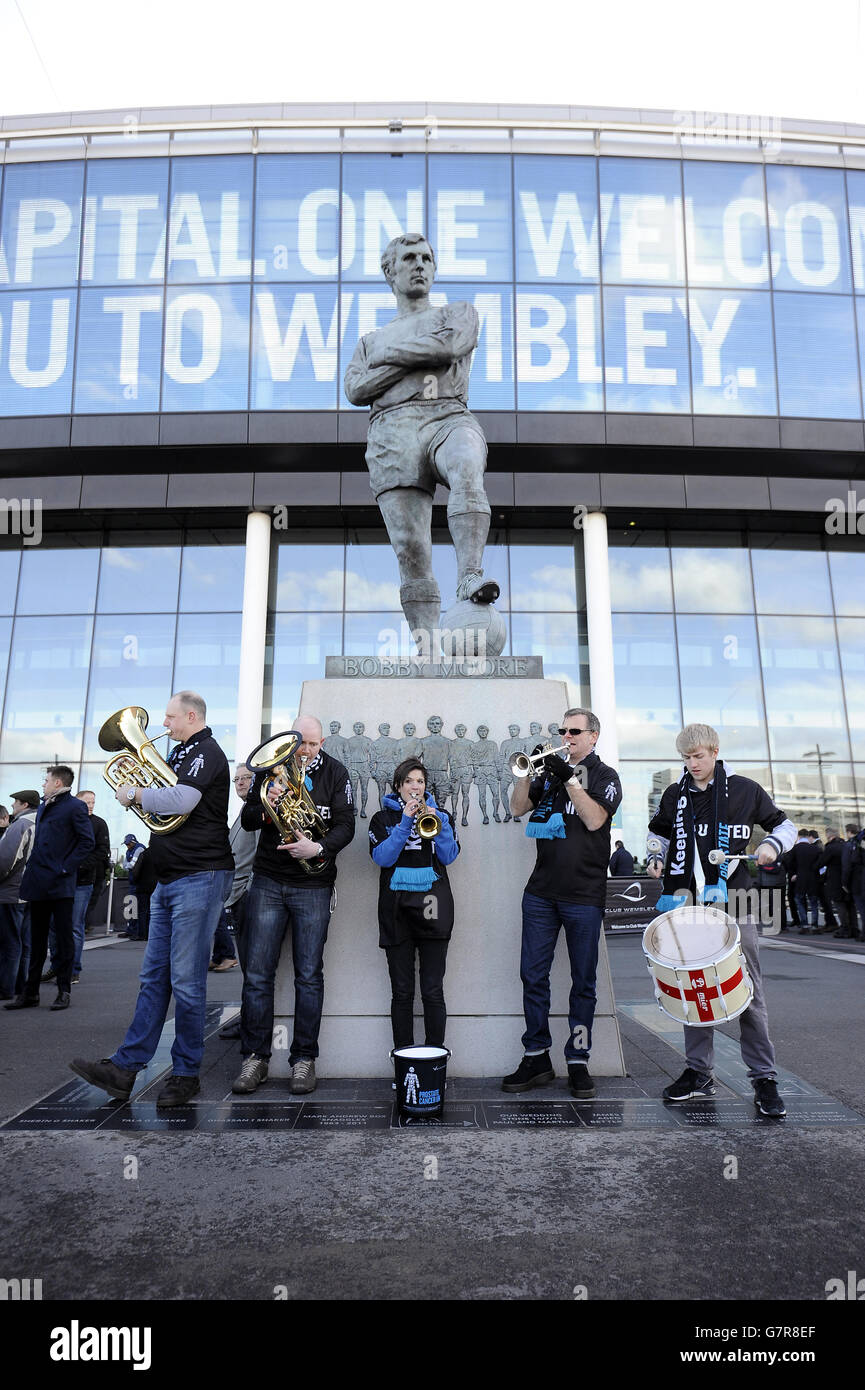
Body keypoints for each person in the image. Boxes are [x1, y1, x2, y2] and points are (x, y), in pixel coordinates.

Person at [70, 691, 234, 1107]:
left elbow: (182, 800)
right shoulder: (179, 755)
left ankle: (186, 1073)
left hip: (200, 875)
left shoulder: (207, 751)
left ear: (192, 715)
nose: (164, 724)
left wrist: (135, 795)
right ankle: (125, 1069)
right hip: (169, 878)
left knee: (186, 980)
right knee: (153, 978)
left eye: (169, 717)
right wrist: (142, 795)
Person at [343, 232, 500, 647]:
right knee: (411, 548)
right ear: (390, 272)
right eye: (409, 258)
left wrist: (392, 357)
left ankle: (470, 576)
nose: (419, 264)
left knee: (467, 460)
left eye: (427, 258)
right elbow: (357, 390)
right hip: (391, 432)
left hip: (446, 414)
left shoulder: (458, 312)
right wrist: (423, 353)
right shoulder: (367, 341)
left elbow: (452, 345)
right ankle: (426, 645)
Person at [646, 723, 796, 1118]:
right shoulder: (674, 794)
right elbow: (659, 834)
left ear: (714, 751)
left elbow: (785, 824)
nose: (692, 764)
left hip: (735, 901)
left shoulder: (744, 789)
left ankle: (764, 1077)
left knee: (746, 990)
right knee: (694, 988)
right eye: (686, 757)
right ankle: (699, 1073)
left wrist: (770, 844)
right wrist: (656, 856)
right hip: (687, 906)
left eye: (699, 756)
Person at [502, 708, 622, 1100]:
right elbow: (518, 808)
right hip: (540, 892)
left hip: (584, 895)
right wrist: (528, 774)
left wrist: (569, 777)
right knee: (532, 976)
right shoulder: (551, 774)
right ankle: (536, 1055)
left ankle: (578, 1060)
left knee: (583, 982)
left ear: (593, 737)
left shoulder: (605, 777)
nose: (566, 736)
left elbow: (594, 820)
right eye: (562, 730)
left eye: (574, 731)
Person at [231, 715, 354, 1097]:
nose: (305, 751)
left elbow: (346, 825)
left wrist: (318, 847)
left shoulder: (336, 772)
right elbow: (248, 819)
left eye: (313, 744)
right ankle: (255, 1057)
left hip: (313, 884)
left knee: (308, 975)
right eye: (300, 743)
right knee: (257, 974)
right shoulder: (271, 768)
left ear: (322, 742)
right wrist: (265, 802)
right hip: (268, 881)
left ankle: (303, 1059)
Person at [368, 758, 460, 1053]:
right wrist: (405, 822)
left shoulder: (440, 815)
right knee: (402, 992)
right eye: (409, 781)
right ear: (398, 787)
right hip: (396, 910)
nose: (415, 787)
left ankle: (435, 1057)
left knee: (433, 990)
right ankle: (404, 1061)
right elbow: (382, 858)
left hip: (434, 907)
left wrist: (442, 823)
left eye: (420, 781)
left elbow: (448, 856)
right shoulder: (382, 819)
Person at [5, 767, 94, 1012]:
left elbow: (87, 842)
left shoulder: (74, 806)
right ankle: (30, 993)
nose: (43, 784)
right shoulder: (45, 805)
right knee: (36, 939)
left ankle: (64, 991)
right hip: (38, 882)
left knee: (64, 940)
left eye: (46, 780)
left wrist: (65, 868)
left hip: (60, 884)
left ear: (57, 782)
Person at [44, 789, 110, 984]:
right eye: (87, 802)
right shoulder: (66, 820)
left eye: (93, 802)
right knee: (54, 926)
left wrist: (76, 865)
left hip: (82, 883)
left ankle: (73, 969)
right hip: (60, 881)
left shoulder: (99, 824)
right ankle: (57, 967)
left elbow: (102, 852)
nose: (90, 805)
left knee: (74, 927)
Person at [211, 763, 259, 989]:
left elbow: (260, 854)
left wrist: (248, 891)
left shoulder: (256, 810)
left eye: (246, 778)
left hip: (246, 896)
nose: (240, 782)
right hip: (237, 894)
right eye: (237, 779)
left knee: (252, 965)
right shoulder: (243, 811)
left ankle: (251, 1021)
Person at [0, 791, 38, 1001]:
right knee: (24, 943)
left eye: (15, 802)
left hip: (11, 892)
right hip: (30, 892)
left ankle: (6, 987)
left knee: (9, 943)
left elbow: (5, 859)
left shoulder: (21, 824)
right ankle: (19, 985)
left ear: (24, 804)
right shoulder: (42, 823)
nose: (12, 806)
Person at [818, 829, 853, 938]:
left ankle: (845, 929)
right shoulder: (847, 845)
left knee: (840, 905)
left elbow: (821, 863)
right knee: (850, 905)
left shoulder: (831, 848)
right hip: (849, 880)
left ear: (829, 836)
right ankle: (854, 929)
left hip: (835, 881)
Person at [788, 828, 822, 933]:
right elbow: (820, 864)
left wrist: (793, 874)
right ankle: (815, 925)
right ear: (808, 836)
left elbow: (789, 863)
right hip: (813, 879)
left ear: (799, 836)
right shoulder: (815, 849)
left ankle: (805, 925)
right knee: (814, 903)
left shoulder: (795, 849)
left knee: (800, 901)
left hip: (800, 879)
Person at [843, 824, 864, 941]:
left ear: (849, 832)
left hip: (857, 881)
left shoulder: (851, 844)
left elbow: (847, 866)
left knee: (861, 908)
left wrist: (844, 883)